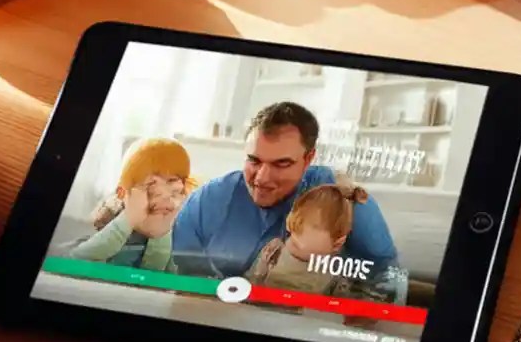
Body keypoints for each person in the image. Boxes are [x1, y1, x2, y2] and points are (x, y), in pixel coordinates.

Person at [173, 102, 404, 301]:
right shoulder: (208, 199)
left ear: (308, 158)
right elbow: (182, 277)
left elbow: (389, 276)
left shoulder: (339, 198)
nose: (262, 178)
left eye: (281, 164)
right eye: (254, 160)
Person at [66, 138, 195, 272]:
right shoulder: (106, 230)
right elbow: (72, 262)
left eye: (173, 186)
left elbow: (173, 280)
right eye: (151, 185)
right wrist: (129, 218)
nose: (163, 197)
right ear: (124, 194)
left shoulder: (177, 238)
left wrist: (163, 229)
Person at [247, 183, 368, 295]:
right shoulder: (273, 252)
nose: (289, 245)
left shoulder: (334, 278)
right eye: (292, 241)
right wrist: (259, 273)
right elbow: (246, 290)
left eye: (297, 246)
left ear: (337, 244)